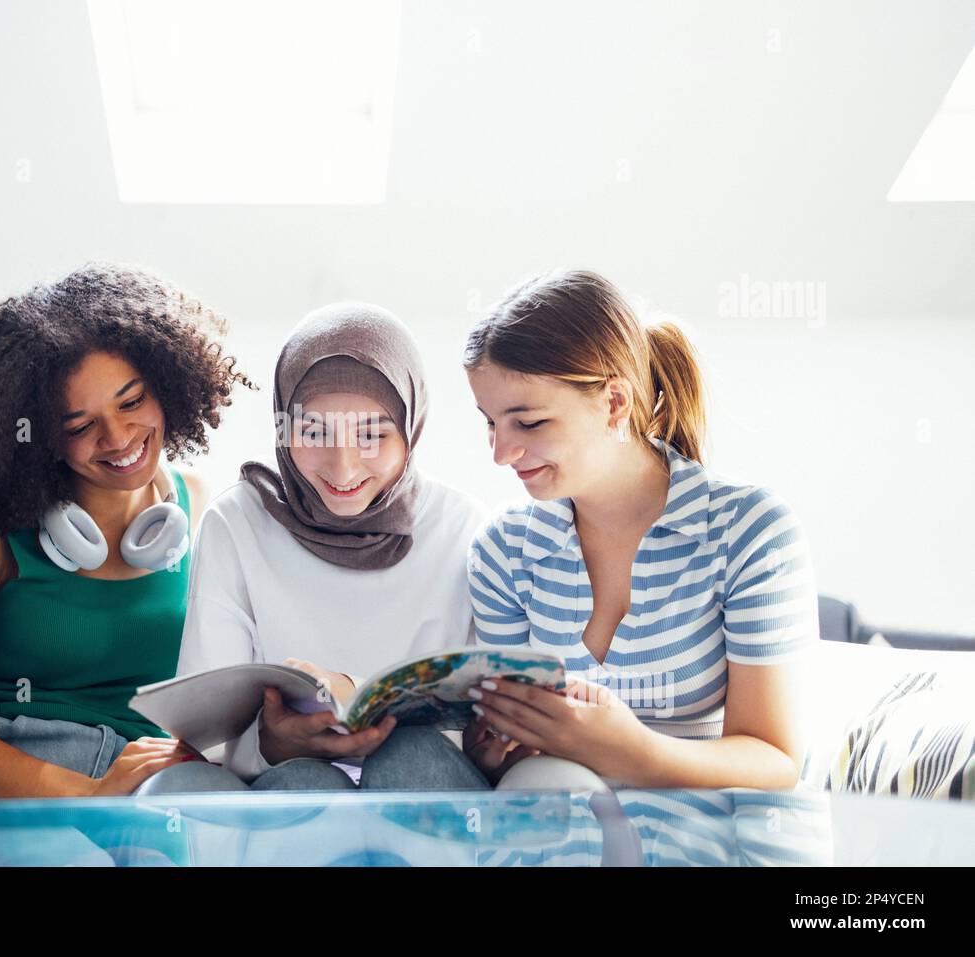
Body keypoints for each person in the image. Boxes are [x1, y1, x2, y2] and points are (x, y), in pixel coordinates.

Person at [0, 262, 253, 800]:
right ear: (39, 437)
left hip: (149, 788)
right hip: (1, 780)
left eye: (131, 402)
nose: (118, 437)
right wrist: (87, 794)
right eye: (79, 426)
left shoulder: (203, 505)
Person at [461, 269, 816, 792]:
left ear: (615, 403)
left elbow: (777, 761)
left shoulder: (751, 533)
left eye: (529, 423)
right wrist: (491, 754)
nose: (500, 454)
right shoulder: (502, 551)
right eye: (490, 423)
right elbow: (514, 757)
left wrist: (632, 752)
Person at [137, 301, 491, 794]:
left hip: (420, 786)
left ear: (412, 428)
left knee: (411, 756)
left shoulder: (463, 530)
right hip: (283, 790)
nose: (342, 469)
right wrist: (274, 745)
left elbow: (478, 721)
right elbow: (206, 736)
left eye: (373, 435)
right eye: (312, 432)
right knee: (300, 781)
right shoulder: (236, 523)